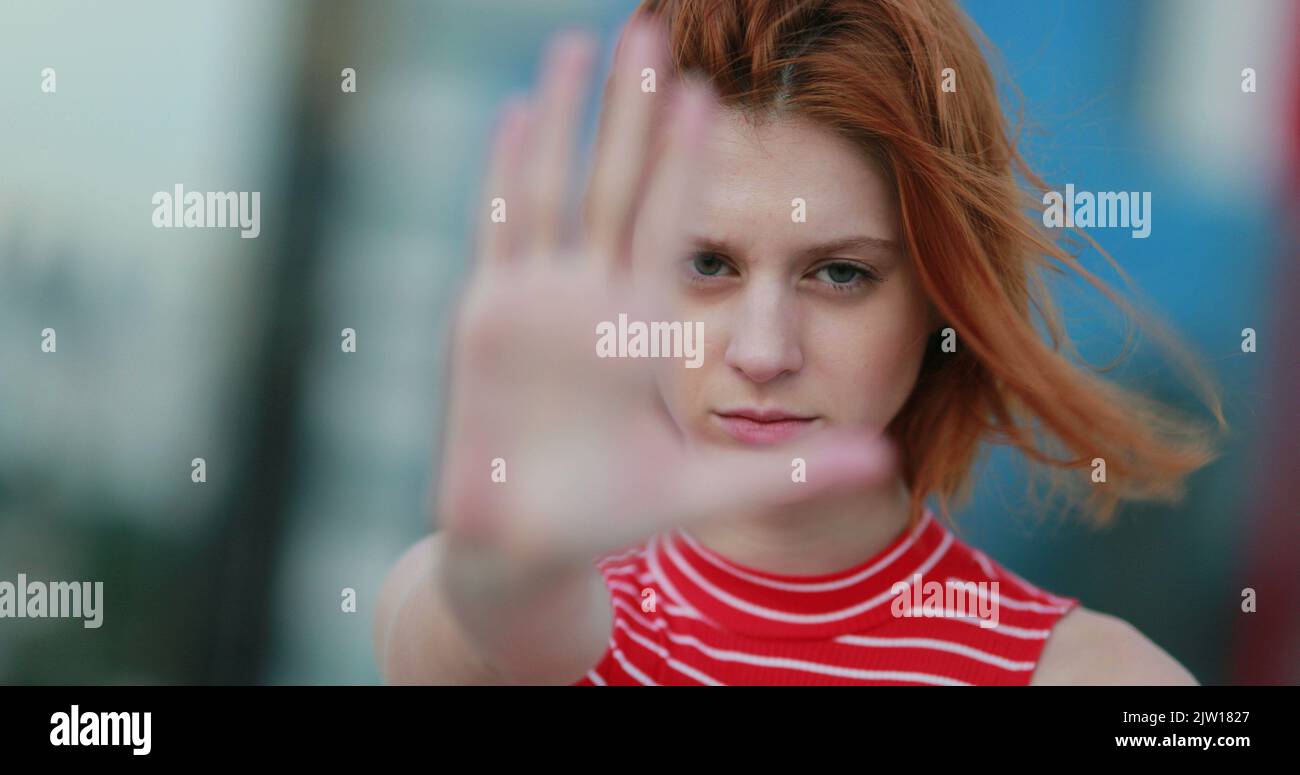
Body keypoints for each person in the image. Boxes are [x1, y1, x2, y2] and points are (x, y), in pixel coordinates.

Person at [374, 0, 1223, 685]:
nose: (763, 349)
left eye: (841, 274)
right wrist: (518, 593)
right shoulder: (486, 605)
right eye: (709, 263)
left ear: (941, 295)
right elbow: (472, 629)